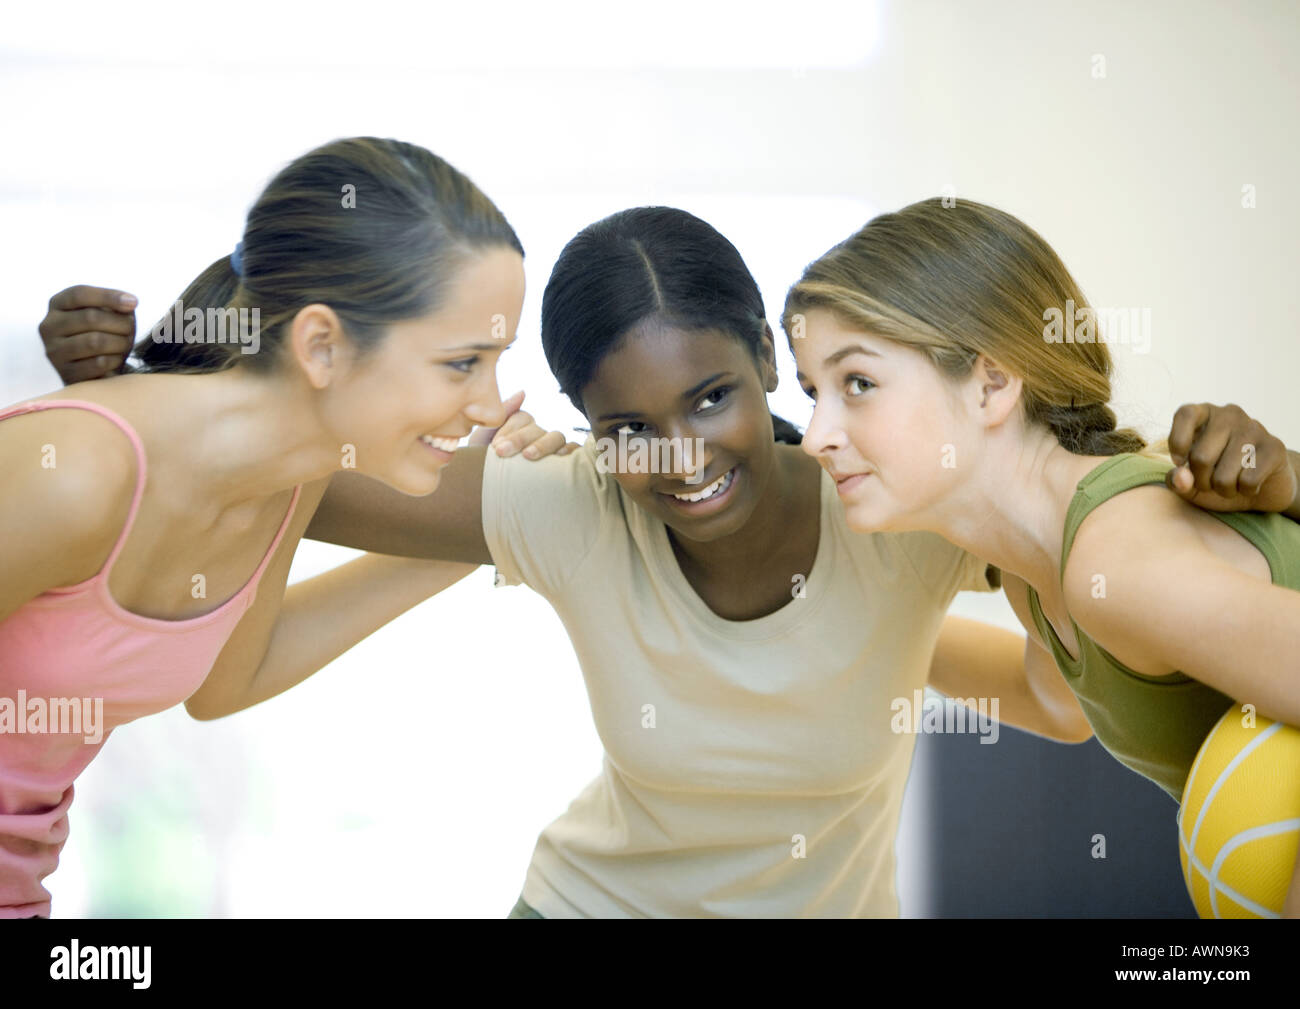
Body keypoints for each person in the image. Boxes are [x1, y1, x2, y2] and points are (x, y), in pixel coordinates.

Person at [41, 206, 1299, 918]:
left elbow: (1052, 674)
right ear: (586, 426)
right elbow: (285, 459)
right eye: (626, 427)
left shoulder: (894, 511)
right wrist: (140, 387)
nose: (680, 456)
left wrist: (1267, 486)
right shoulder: (573, 500)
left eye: (712, 396)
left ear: (767, 359)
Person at [1, 136, 572, 918]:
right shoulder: (75, 471)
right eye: (462, 362)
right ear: (320, 344)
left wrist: (482, 537)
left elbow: (230, 679)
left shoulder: (287, 483)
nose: (487, 401)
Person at [786, 196, 1300, 916]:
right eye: (813, 392)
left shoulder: (1114, 561)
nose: (816, 436)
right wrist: (863, 626)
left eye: (857, 384)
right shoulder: (1039, 578)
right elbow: (1056, 705)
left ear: (991, 383)